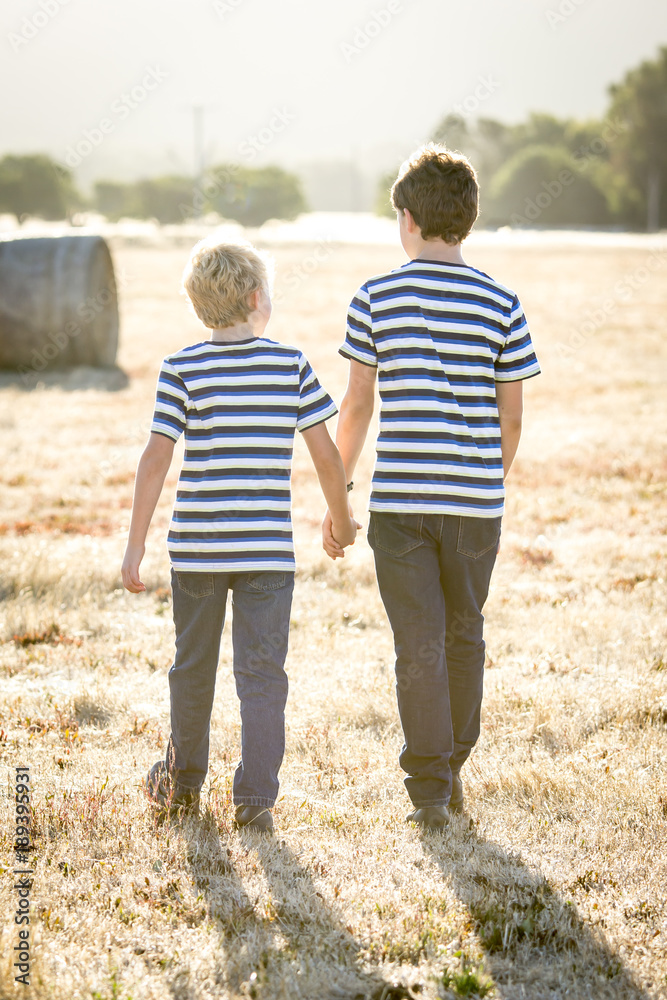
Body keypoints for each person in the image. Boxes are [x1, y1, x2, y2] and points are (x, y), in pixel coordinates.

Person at [323, 144, 541, 829]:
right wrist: (484, 480)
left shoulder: (374, 297)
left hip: (401, 507)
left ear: (407, 219)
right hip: (475, 504)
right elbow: (511, 415)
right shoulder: (501, 302)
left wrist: (339, 495)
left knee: (416, 642)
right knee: (463, 632)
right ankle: (453, 759)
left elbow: (356, 405)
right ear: (467, 221)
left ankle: (430, 788)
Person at [121, 239, 358, 831]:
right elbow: (327, 457)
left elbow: (155, 460)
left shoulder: (182, 368)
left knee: (191, 668)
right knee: (262, 674)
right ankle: (255, 800)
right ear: (257, 298)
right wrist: (343, 519)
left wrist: (135, 544)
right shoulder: (290, 365)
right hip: (267, 553)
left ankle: (181, 785)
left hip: (197, 551)